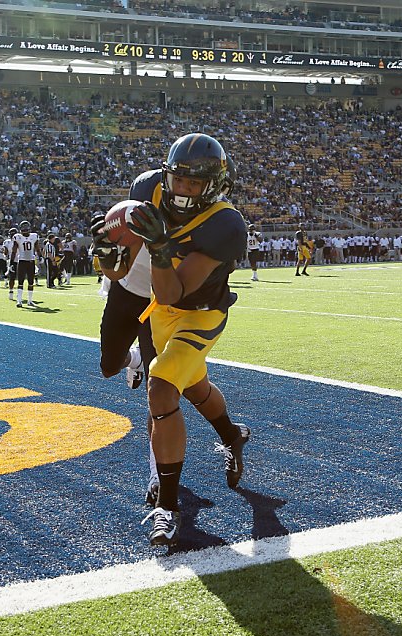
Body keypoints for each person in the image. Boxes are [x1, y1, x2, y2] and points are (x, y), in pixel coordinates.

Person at [121, 133, 251, 547]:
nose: (183, 190)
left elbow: (174, 291)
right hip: (160, 311)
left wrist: (160, 248)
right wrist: (108, 253)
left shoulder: (225, 224)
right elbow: (126, 265)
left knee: (161, 389)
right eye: (179, 180)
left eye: (194, 184)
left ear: (212, 186)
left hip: (200, 311)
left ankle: (168, 506)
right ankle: (232, 435)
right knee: (191, 386)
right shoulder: (147, 189)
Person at [10, 220, 39, 307]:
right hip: (22, 261)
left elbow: (37, 248)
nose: (25, 230)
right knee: (21, 281)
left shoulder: (34, 236)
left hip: (30, 261)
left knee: (30, 281)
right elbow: (14, 251)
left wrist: (40, 256)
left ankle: (29, 301)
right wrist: (11, 262)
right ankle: (19, 301)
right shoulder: (18, 237)